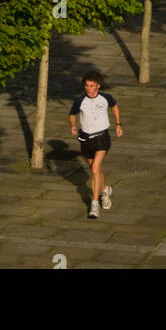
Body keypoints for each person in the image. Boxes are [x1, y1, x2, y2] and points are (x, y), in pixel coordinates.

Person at [69, 71, 122, 219]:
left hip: (102, 138)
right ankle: (105, 190)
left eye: (91, 86)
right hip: (86, 139)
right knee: (95, 171)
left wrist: (118, 124)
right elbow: (72, 114)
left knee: (94, 169)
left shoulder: (106, 98)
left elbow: (115, 107)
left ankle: (94, 205)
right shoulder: (80, 101)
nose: (88, 88)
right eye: (86, 85)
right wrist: (72, 126)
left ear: (98, 86)